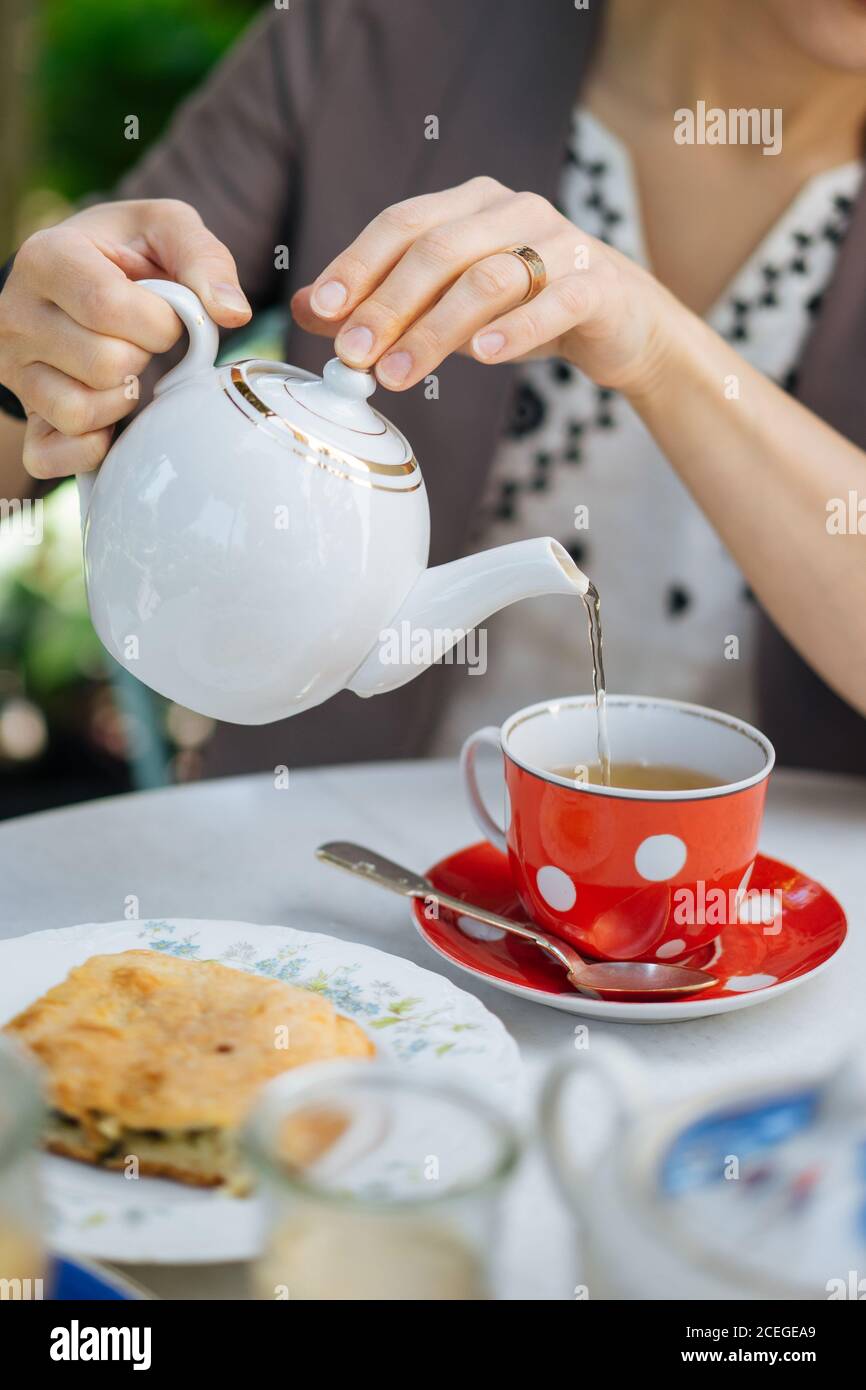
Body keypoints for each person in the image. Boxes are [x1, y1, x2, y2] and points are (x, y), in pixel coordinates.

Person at [0, 0, 864, 777]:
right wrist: (43, 355)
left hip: (776, 912)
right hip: (313, 867)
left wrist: (659, 348)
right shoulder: (384, 38)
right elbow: (31, 432)